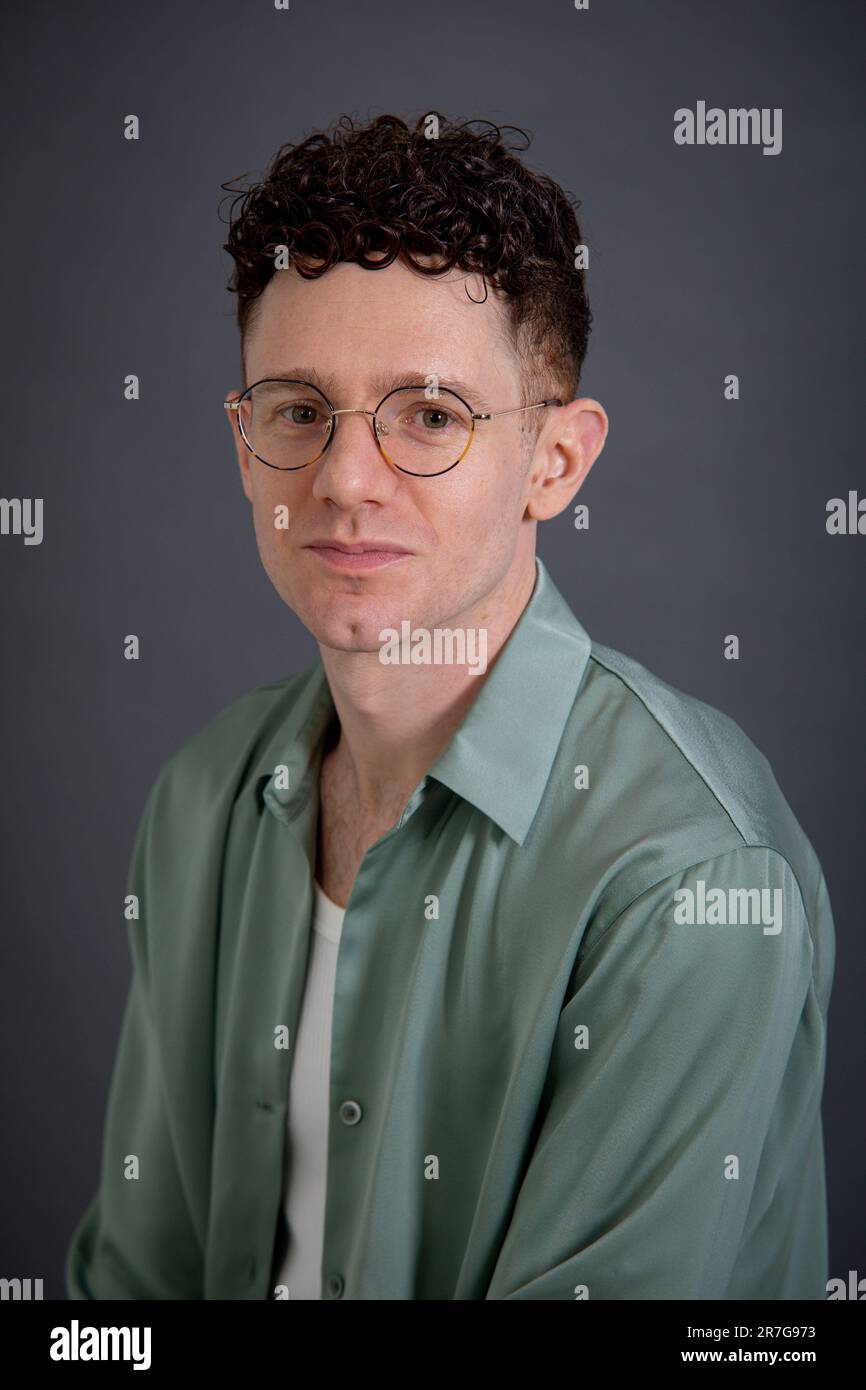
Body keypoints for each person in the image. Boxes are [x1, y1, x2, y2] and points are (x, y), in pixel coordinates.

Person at [65, 111, 834, 1301]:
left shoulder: (689, 878)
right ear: (242, 442)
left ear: (554, 463)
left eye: (428, 413)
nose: (342, 478)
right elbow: (126, 1303)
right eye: (296, 409)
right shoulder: (200, 799)